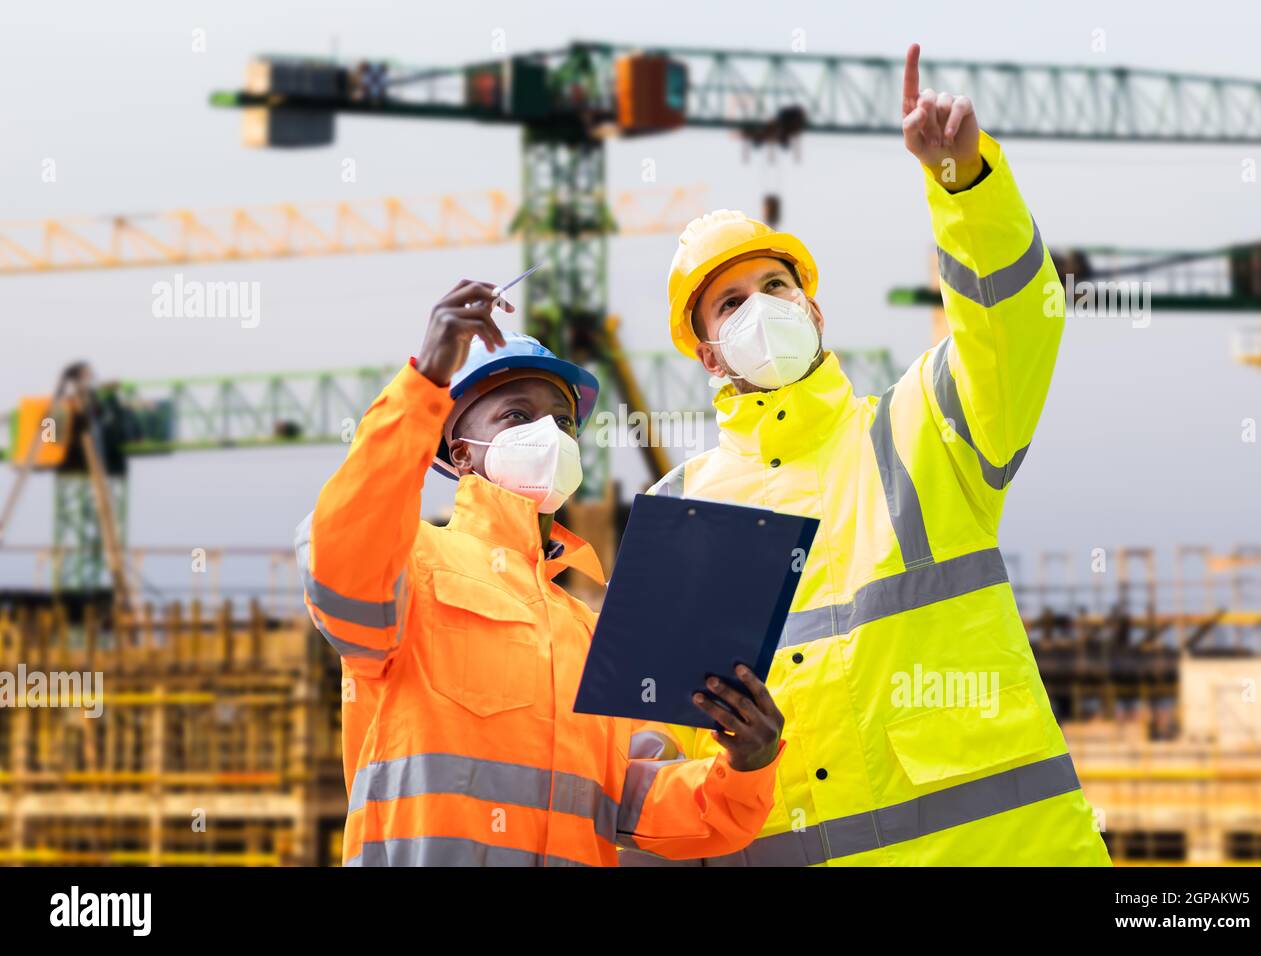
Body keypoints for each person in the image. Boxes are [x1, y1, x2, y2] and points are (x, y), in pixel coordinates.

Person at [623, 44, 1111, 866]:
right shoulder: (680, 511)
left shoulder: (921, 427)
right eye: (731, 304)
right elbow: (652, 754)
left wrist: (966, 186)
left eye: (775, 288)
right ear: (709, 355)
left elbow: (1011, 328)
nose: (761, 309)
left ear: (813, 308)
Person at [294, 280, 785, 866]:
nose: (549, 435)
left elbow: (638, 802)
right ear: (460, 452)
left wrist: (746, 767)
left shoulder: (593, 633)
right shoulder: (412, 567)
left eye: (562, 422)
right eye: (517, 415)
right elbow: (344, 548)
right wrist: (423, 381)